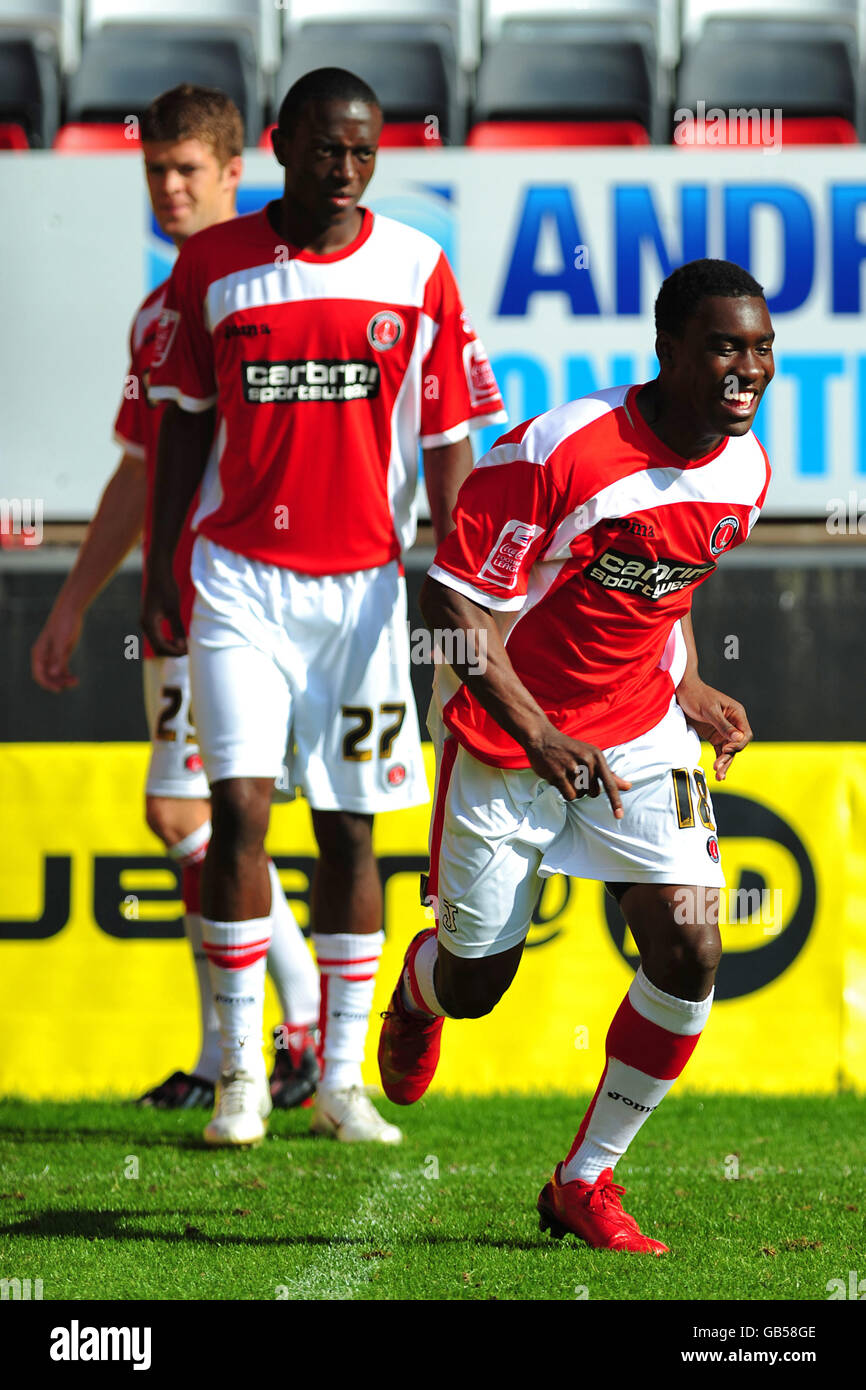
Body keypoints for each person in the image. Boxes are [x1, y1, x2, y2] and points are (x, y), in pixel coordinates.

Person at [378, 258, 774, 1252]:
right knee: (479, 980)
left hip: (640, 731)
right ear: (669, 350)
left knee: (691, 946)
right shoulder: (558, 450)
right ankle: (419, 993)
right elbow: (453, 600)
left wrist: (683, 684)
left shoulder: (745, 466)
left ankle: (583, 1180)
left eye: (761, 348)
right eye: (725, 347)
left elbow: (666, 583)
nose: (746, 369)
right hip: (508, 736)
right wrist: (538, 731)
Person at [142, 67, 506, 1147]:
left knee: (350, 830)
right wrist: (162, 569)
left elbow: (449, 443)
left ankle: (342, 1078)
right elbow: (182, 433)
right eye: (323, 150)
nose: (342, 172)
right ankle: (242, 1074)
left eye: (361, 153)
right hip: (238, 582)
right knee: (238, 810)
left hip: (365, 589)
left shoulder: (416, 267)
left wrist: (458, 581)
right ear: (280, 143)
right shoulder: (211, 267)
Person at [31, 85, 321, 1114]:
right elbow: (138, 471)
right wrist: (73, 600)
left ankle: (298, 1024)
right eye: (155, 168)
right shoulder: (164, 309)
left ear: (237, 172)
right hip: (183, 595)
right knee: (197, 819)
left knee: (201, 812)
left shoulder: (264, 284)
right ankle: (224, 1051)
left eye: (187, 168)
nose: (168, 185)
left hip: (252, 593)